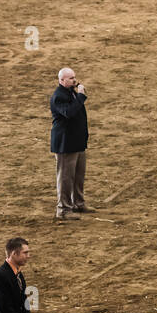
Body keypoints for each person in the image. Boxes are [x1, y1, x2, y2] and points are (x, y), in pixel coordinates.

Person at [50, 66, 90, 221]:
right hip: (65, 144)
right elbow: (69, 112)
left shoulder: (70, 92)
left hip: (77, 142)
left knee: (78, 175)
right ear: (62, 80)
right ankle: (63, 209)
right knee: (66, 178)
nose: (75, 80)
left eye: (74, 77)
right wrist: (80, 96)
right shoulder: (59, 96)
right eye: (71, 78)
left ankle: (78, 203)